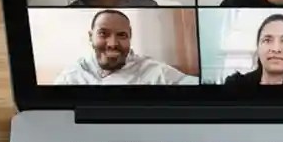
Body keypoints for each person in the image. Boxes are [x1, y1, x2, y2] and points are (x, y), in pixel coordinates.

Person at [53, 10, 196, 85]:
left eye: (121, 35)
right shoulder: (71, 76)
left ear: (129, 37)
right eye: (103, 34)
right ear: (91, 36)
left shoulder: (156, 72)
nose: (113, 43)